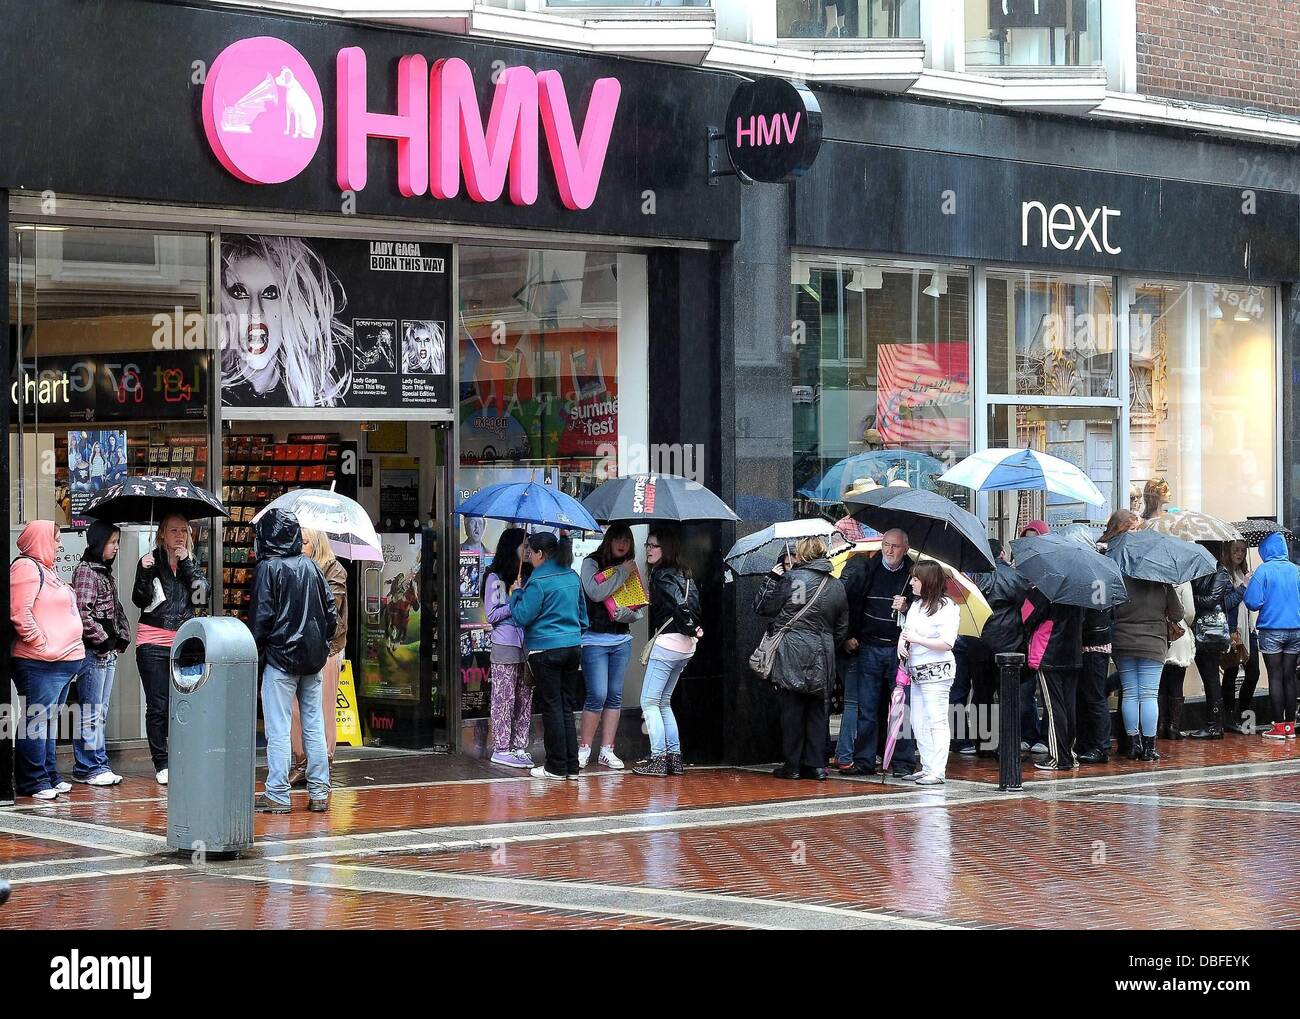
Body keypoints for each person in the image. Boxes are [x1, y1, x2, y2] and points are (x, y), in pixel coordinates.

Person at [251, 509, 337, 813]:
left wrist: (257, 652)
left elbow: (261, 619)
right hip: (312, 659)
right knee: (313, 724)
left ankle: (277, 791)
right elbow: (331, 614)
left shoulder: (268, 568)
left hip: (280, 658)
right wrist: (322, 642)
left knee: (279, 726)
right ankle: (319, 791)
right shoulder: (312, 567)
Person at [219, 234, 352, 407]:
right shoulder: (215, 395)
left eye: (270, 294)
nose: (255, 311)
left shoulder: (321, 395)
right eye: (239, 293)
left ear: (290, 307)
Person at [755, 536, 848, 780]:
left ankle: (793, 765)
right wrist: (826, 643)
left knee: (793, 710)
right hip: (823, 652)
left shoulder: (792, 579)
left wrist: (772, 578)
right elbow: (841, 628)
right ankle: (816, 765)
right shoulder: (836, 585)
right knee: (819, 711)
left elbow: (762, 607)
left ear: (803, 555)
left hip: (791, 651)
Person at [10, 521, 86, 801]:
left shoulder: (46, 570)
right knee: (36, 720)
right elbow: (20, 613)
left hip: (62, 661)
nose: (60, 544)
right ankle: (32, 781)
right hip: (41, 662)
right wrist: (44, 645)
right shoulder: (25, 569)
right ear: (41, 540)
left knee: (49, 720)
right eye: (55, 539)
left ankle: (49, 774)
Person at [132, 513, 209, 786]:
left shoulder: (192, 563)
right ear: (162, 533)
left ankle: (183, 754)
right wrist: (143, 571)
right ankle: (161, 762)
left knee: (186, 702)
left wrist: (187, 564)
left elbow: (201, 596)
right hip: (152, 642)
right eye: (173, 530)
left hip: (185, 644)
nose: (179, 536)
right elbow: (139, 599)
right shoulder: (150, 561)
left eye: (183, 531)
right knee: (159, 705)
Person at [509, 532, 588, 780]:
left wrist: (515, 595)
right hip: (573, 648)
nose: (529, 557)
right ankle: (571, 767)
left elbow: (522, 616)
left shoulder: (538, 581)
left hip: (545, 650)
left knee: (552, 707)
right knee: (566, 707)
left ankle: (555, 766)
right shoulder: (572, 576)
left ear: (541, 554)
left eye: (530, 552)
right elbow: (583, 618)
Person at [1110, 506, 1185, 761]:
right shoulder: (1160, 576)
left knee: (1130, 693)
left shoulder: (1117, 572)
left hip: (1122, 640)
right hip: (1153, 643)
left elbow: (1109, 608)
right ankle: (1150, 748)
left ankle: (1133, 745)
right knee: (1149, 694)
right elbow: (1177, 613)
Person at [840, 528, 916, 777]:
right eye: (886, 545)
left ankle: (903, 762)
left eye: (894, 546)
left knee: (901, 708)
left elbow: (924, 609)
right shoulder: (868, 569)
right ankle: (864, 760)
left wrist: (907, 607)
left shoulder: (912, 575)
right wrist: (850, 635)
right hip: (869, 646)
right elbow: (852, 603)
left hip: (898, 650)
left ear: (905, 548)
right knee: (867, 708)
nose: (889, 551)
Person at [633, 527, 703, 777]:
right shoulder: (685, 574)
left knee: (648, 702)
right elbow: (692, 604)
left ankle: (658, 758)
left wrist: (686, 623)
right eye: (648, 546)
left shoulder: (662, 575)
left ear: (666, 549)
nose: (649, 550)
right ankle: (674, 757)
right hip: (686, 646)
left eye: (654, 546)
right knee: (663, 702)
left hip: (668, 643)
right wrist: (692, 628)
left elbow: (678, 605)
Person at [578, 524, 643, 770]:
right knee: (597, 694)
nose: (622, 543)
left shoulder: (630, 566)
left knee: (614, 696)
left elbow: (637, 608)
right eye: (617, 538)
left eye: (626, 539)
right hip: (594, 639)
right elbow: (595, 592)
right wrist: (622, 573)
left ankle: (607, 750)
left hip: (621, 640)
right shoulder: (591, 563)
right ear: (608, 540)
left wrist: (625, 614)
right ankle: (584, 748)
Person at [70, 520, 130, 786]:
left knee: (100, 711)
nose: (116, 547)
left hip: (107, 652)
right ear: (98, 542)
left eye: (117, 542)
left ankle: (97, 762)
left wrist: (122, 637)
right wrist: (104, 641)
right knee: (91, 711)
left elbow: (115, 610)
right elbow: (83, 613)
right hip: (94, 653)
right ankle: (89, 765)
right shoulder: (86, 571)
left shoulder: (104, 571)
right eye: (112, 542)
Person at [287, 528, 348, 786]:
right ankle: (301, 760)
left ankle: (323, 762)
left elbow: (329, 610)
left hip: (326, 648)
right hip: (299, 647)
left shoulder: (334, 570)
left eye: (305, 541)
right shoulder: (295, 567)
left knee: (322, 708)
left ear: (318, 544)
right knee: (295, 709)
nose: (300, 546)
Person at [899, 560, 961, 785]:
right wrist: (902, 643)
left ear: (928, 581)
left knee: (937, 720)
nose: (913, 583)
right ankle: (927, 766)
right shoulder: (916, 606)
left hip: (937, 672)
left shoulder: (948, 607)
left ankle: (938, 770)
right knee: (918, 720)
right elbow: (907, 631)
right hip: (916, 670)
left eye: (916, 579)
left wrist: (917, 640)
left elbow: (946, 642)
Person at [969, 539, 1028, 757]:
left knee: (981, 694)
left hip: (978, 643)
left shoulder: (972, 578)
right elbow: (1026, 606)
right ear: (1002, 553)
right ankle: (1008, 744)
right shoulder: (1014, 577)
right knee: (1008, 697)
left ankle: (983, 743)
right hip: (1008, 645)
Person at [483, 527, 534, 768]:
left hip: (526, 645)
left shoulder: (529, 577)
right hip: (505, 644)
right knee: (504, 698)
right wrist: (514, 599)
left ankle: (519, 745)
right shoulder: (495, 578)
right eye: (523, 545)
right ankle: (501, 747)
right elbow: (491, 614)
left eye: (529, 545)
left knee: (524, 697)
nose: (528, 550)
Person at [1243, 531, 1300, 740]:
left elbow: (1252, 602)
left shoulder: (1263, 571)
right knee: (1289, 677)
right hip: (1296, 630)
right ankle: (1290, 728)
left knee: (1275, 676)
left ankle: (1277, 726)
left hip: (1271, 630)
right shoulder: (1296, 571)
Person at [1022, 582, 1084, 771]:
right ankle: (1068, 754)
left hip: (1049, 652)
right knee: (1068, 705)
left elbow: (1027, 616)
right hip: (1072, 652)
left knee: (1054, 705)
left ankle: (1058, 757)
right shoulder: (1080, 589)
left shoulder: (1046, 588)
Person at [1185, 553, 1240, 740]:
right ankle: (1214, 724)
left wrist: (1191, 598)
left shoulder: (1219, 571)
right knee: (1210, 678)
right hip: (1199, 630)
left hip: (1211, 633)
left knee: (1212, 679)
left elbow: (1212, 599)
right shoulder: (1195, 571)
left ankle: (1215, 725)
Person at [1221, 540, 1260, 733]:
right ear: (1228, 551)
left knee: (1254, 673)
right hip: (1233, 630)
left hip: (1249, 629)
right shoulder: (1223, 574)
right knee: (1231, 672)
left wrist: (1251, 583)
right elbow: (1226, 603)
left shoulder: (1242, 573)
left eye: (1243, 551)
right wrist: (1244, 586)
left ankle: (1244, 717)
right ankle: (1227, 717)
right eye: (1236, 550)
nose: (1240, 554)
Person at [1076, 600, 1114, 765]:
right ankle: (1086, 743)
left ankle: (1100, 747)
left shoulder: (1091, 583)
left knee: (1094, 697)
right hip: (1092, 641)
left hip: (1093, 643)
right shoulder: (1103, 580)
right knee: (1084, 697)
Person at [1158, 583, 1196, 743]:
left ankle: (1160, 725)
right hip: (1179, 633)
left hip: (1158, 631)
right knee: (1176, 682)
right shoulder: (1183, 581)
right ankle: (1174, 727)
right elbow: (1189, 612)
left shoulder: (1153, 579)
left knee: (1159, 683)